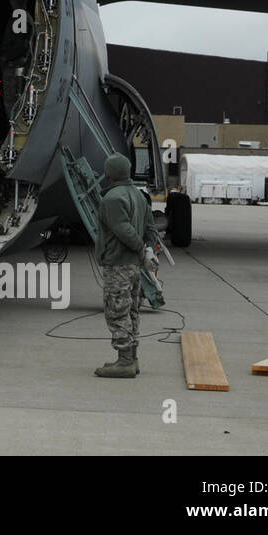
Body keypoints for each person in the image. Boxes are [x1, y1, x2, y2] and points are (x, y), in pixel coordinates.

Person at [94, 154, 157, 377]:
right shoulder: (139, 197)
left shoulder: (112, 198)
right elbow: (150, 227)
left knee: (116, 311)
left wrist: (140, 247)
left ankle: (124, 361)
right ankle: (133, 358)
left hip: (118, 264)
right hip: (134, 267)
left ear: (109, 173)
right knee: (131, 311)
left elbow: (123, 230)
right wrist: (148, 249)